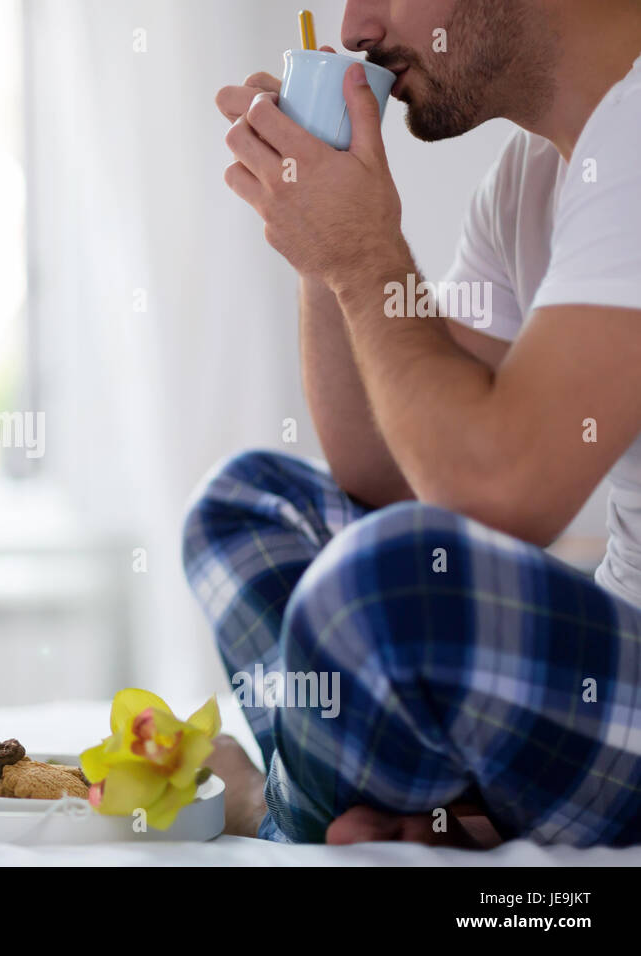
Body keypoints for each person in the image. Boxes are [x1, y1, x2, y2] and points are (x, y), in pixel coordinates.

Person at [186, 0, 641, 847]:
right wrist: (323, 249)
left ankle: (281, 812)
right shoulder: (528, 181)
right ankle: (431, 809)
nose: (356, 28)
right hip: (617, 655)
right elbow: (386, 478)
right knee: (250, 504)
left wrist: (363, 255)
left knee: (393, 585)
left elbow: (500, 497)